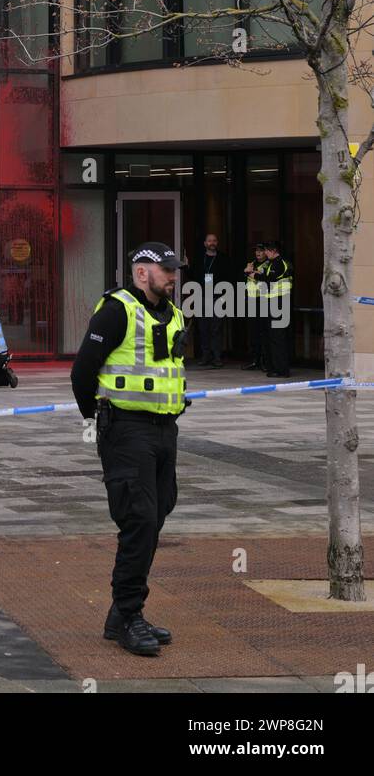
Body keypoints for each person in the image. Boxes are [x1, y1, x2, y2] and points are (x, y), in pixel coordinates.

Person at [71, 242, 189, 658]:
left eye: (176, 270)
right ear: (142, 273)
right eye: (167, 271)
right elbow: (83, 370)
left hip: (164, 429)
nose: (174, 277)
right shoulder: (117, 309)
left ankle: (121, 615)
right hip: (126, 430)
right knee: (138, 520)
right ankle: (129, 615)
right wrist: (96, 419)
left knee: (156, 515)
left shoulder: (171, 312)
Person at [186, 232, 234, 367]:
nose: (212, 243)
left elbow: (229, 277)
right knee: (203, 328)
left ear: (217, 243)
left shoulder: (223, 258)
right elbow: (193, 276)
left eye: (214, 240)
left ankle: (217, 357)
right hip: (201, 297)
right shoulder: (199, 258)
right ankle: (205, 356)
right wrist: (186, 267)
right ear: (205, 244)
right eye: (209, 241)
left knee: (216, 328)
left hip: (218, 297)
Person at [260, 240, 293, 378]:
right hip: (275, 302)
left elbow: (270, 278)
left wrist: (254, 275)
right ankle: (276, 367)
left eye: (266, 251)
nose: (265, 253)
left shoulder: (279, 263)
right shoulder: (274, 263)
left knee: (277, 338)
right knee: (274, 337)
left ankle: (281, 369)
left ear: (273, 251)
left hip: (279, 302)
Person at [242, 242, 268, 370]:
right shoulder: (251, 264)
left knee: (263, 332)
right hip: (251, 300)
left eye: (261, 250)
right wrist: (245, 272)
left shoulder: (267, 264)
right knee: (253, 332)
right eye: (256, 250)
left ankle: (264, 361)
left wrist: (250, 272)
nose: (258, 253)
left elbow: (263, 278)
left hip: (263, 300)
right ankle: (254, 360)